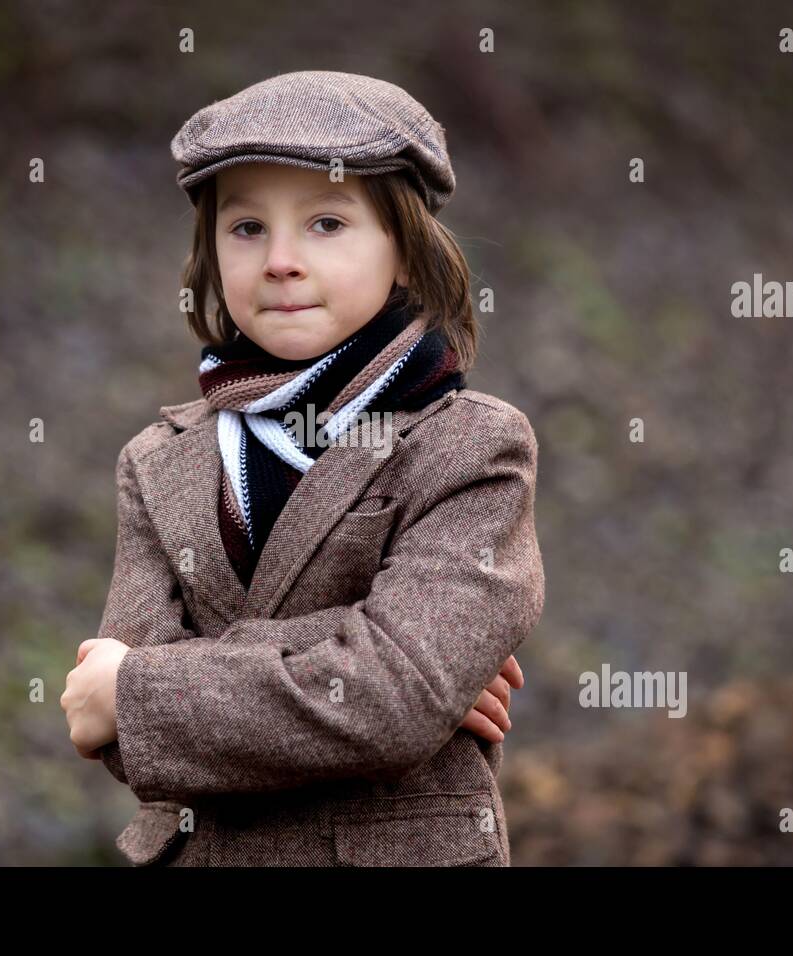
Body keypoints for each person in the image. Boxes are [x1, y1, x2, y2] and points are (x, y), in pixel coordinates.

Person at [60, 70, 544, 866]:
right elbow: (113, 740)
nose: (281, 260)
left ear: (404, 245)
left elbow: (388, 703)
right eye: (247, 228)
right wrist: (381, 665)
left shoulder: (471, 448)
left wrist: (141, 688)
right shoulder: (157, 462)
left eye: (326, 222)